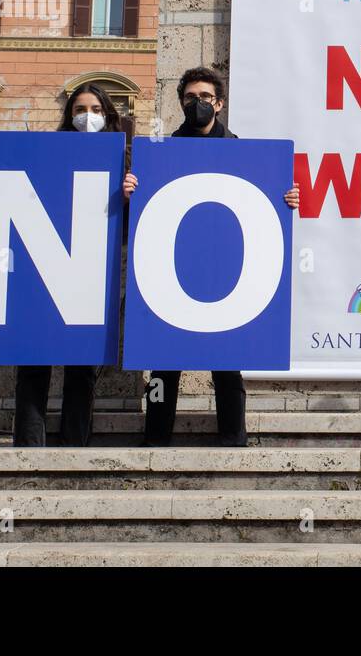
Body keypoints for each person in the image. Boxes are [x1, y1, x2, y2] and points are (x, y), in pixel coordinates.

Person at [126, 66, 299, 447]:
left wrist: (286, 199)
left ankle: (233, 440)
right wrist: (131, 192)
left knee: (227, 359)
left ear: (218, 104)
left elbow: (264, 209)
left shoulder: (244, 154)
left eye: (205, 97)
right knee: (164, 359)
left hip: (225, 265)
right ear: (181, 104)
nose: (198, 104)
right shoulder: (162, 153)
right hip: (177, 264)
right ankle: (154, 440)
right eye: (190, 98)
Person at [12, 83, 128, 447]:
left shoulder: (123, 160)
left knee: (82, 364)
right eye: (80, 108)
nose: (87, 116)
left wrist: (127, 196)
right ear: (69, 114)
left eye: (95, 109)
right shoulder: (48, 152)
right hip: (44, 264)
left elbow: (126, 226)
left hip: (91, 272)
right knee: (34, 358)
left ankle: (74, 442)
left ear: (107, 115)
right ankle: (29, 444)